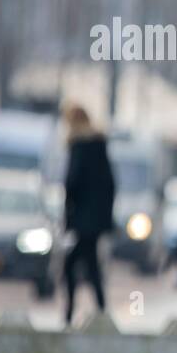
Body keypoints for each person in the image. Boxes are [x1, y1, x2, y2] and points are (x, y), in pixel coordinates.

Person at [61, 103, 116, 326]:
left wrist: (68, 215)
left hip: (82, 218)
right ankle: (100, 311)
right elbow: (110, 184)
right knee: (90, 265)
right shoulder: (99, 146)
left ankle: (70, 313)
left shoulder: (79, 146)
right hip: (96, 220)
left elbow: (72, 183)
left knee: (72, 265)